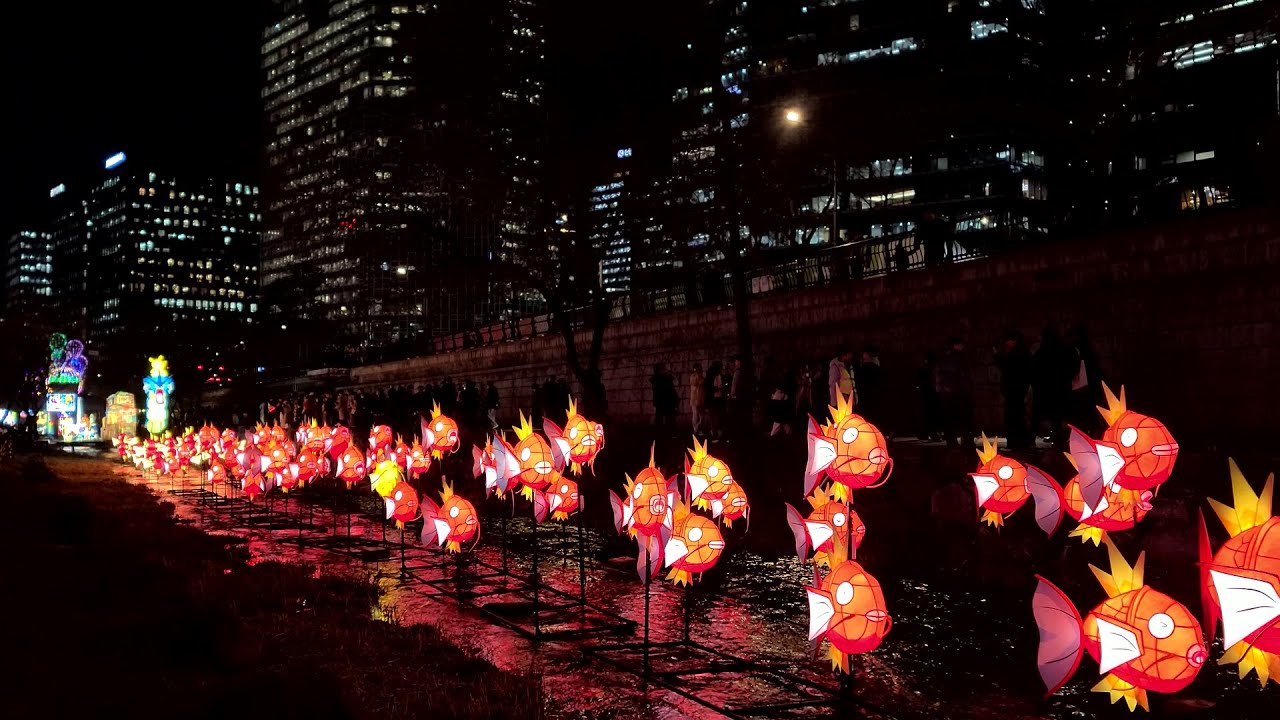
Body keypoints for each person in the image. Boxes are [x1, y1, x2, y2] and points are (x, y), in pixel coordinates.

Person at [995, 330, 1033, 450]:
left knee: (1013, 418)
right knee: (1018, 416)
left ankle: (1014, 442)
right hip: (1019, 389)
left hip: (1013, 390)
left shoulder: (1015, 354)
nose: (1006, 344)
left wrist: (997, 356)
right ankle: (1020, 442)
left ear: (1014, 341)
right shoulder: (1024, 353)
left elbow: (1007, 369)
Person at [934, 337, 973, 449]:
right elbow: (962, 376)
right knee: (960, 417)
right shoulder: (957, 358)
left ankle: (953, 440)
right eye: (960, 344)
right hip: (957, 392)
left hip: (951, 392)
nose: (962, 347)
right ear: (955, 345)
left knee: (952, 418)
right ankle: (962, 440)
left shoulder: (945, 358)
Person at [855, 345, 884, 428]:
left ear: (867, 354)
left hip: (865, 396)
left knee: (867, 417)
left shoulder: (863, 368)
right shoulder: (877, 367)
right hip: (875, 396)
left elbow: (859, 383)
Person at [651, 363, 679, 432]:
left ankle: (666, 432)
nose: (665, 370)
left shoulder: (664, 377)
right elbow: (666, 389)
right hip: (664, 401)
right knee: (663, 418)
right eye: (663, 368)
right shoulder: (659, 379)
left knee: (667, 418)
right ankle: (664, 433)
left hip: (666, 401)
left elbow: (675, 384)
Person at [703, 361, 725, 439]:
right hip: (712, 399)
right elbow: (707, 387)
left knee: (718, 417)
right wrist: (715, 389)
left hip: (718, 399)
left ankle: (717, 433)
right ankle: (714, 433)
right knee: (713, 417)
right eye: (720, 368)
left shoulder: (718, 375)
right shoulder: (710, 375)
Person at [688, 363, 706, 435]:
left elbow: (702, 382)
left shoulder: (702, 376)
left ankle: (699, 427)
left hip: (701, 399)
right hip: (694, 399)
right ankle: (696, 429)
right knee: (695, 415)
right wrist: (697, 375)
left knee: (702, 416)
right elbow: (694, 383)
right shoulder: (693, 376)